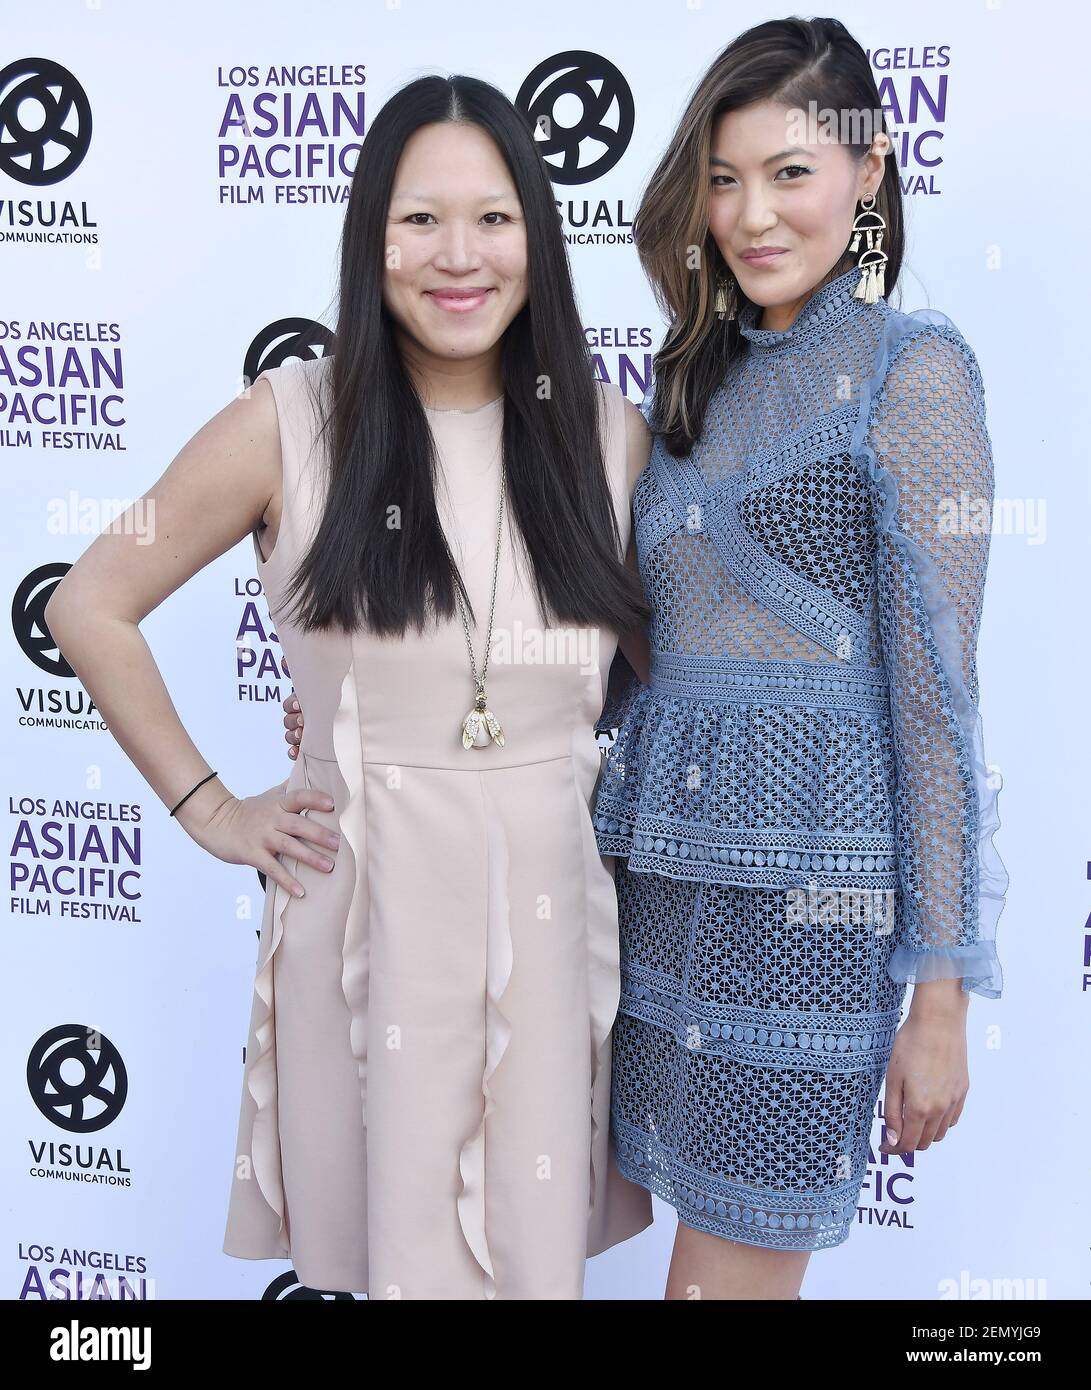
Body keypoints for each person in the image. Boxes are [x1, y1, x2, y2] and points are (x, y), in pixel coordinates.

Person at [43, 73, 655, 1300]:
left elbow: (659, 675)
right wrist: (216, 808)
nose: (457, 256)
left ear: (537, 231)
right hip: (367, 917)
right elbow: (86, 604)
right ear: (367, 236)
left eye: (492, 217)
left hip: (543, 919)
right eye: (418, 219)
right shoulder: (290, 420)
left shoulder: (604, 432)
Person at [588, 16, 1009, 1300]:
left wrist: (937, 995)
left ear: (866, 172)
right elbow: (636, 654)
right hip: (650, 884)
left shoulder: (913, 368)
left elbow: (938, 697)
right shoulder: (689, 385)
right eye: (723, 178)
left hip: (812, 917)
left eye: (789, 172)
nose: (750, 214)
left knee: (722, 1282)